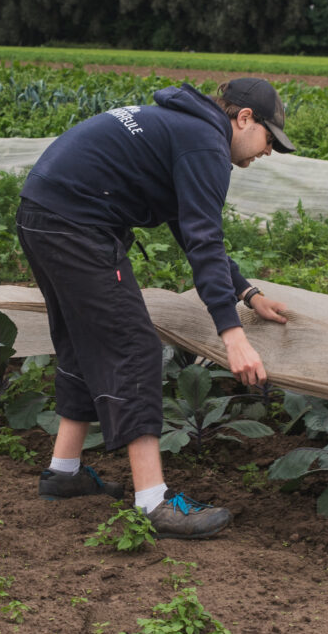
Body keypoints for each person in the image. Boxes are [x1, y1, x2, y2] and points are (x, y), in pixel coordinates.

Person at [16, 77, 294, 540]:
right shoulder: (206, 144)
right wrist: (233, 336)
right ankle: (153, 502)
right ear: (244, 119)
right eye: (269, 139)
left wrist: (247, 293)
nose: (267, 151)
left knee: (84, 341)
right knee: (135, 347)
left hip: (42, 214)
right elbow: (205, 240)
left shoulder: (181, 126)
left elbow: (191, 231)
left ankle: (63, 474)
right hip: (78, 225)